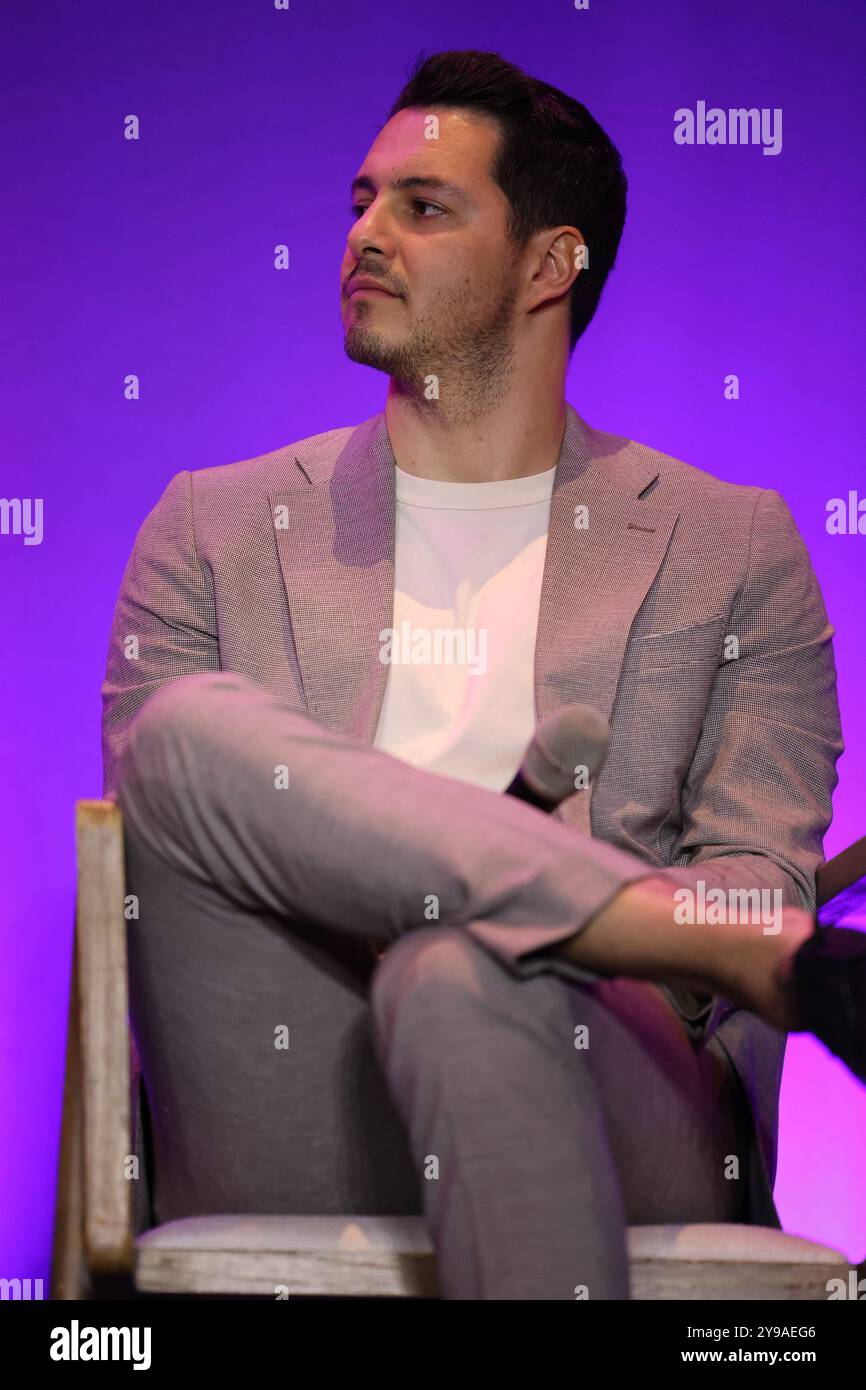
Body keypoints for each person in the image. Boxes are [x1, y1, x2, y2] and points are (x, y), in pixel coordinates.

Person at [102, 50, 845, 1300]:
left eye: (422, 206)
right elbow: (174, 843)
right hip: (291, 1075)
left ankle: (551, 931)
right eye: (359, 202)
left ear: (550, 265)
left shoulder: (734, 543)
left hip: (600, 1070)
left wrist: (515, 937)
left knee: (460, 970)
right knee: (181, 735)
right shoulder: (210, 526)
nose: (364, 235)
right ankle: (752, 951)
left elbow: (753, 869)